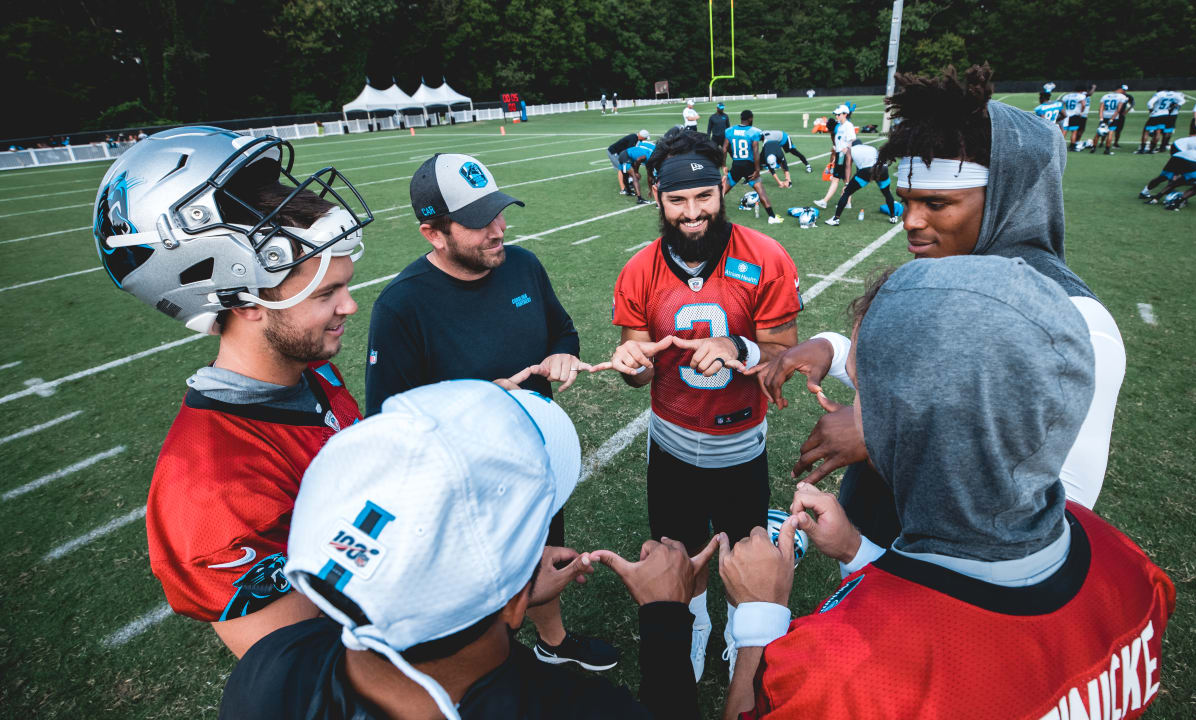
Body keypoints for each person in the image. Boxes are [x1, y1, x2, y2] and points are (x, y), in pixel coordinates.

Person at [722, 256, 1176, 720]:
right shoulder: (1129, 566)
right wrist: (855, 550)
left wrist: (760, 615)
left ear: (912, 424)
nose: (854, 413)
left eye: (862, 392)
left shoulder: (843, 674)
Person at [754, 64, 1126, 546]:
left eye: (936, 203)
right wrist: (832, 348)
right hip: (879, 547)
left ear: (1006, 199)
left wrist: (880, 438)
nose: (910, 222)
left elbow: (1066, 504)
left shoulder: (1077, 322)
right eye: (907, 201)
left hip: (954, 569)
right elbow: (919, 382)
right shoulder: (937, 274)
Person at [220, 381, 714, 719]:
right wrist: (667, 616)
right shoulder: (580, 706)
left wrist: (506, 591)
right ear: (517, 605)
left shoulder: (273, 665)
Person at [92, 126, 372, 657]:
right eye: (326, 293)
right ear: (243, 301)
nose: (349, 306)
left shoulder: (310, 371)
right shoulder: (210, 490)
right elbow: (305, 674)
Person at [364, 153, 620, 672]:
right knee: (480, 585)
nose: (499, 229)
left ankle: (552, 643)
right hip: (464, 484)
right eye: (479, 221)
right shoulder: (401, 307)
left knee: (543, 552)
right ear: (433, 234)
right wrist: (476, 402)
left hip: (538, 456)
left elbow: (561, 330)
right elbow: (388, 426)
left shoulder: (523, 266)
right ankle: (483, 672)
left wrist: (562, 353)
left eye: (498, 212)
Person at [608, 127, 801, 682]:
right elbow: (637, 368)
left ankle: (744, 634)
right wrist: (634, 365)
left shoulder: (764, 256)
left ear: (722, 188)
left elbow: (782, 353)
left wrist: (738, 345)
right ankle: (695, 625)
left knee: (746, 549)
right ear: (657, 196)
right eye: (677, 200)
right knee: (680, 550)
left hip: (740, 442)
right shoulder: (639, 269)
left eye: (703, 196)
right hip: (671, 441)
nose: (692, 213)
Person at [723, 110, 783, 223]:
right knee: (761, 192)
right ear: (750, 118)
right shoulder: (754, 131)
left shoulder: (730, 130)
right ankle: (772, 217)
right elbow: (755, 152)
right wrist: (757, 170)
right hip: (749, 166)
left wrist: (723, 165)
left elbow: (724, 148)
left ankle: (708, 212)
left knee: (722, 191)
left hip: (736, 165)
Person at [823, 143, 898, 225]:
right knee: (887, 193)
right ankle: (893, 217)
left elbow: (848, 167)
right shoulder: (868, 148)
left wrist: (847, 183)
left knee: (847, 192)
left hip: (868, 170)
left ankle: (836, 219)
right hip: (883, 169)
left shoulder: (850, 151)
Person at [814, 105, 856, 209]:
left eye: (838, 114)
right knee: (844, 180)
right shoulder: (840, 126)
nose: (836, 116)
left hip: (844, 155)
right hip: (839, 155)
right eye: (836, 114)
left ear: (845, 114)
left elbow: (852, 139)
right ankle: (847, 203)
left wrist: (846, 149)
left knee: (837, 179)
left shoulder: (848, 126)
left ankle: (825, 201)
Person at [608, 129, 651, 195]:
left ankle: (629, 183)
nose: (645, 140)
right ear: (641, 136)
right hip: (614, 152)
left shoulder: (636, 138)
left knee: (627, 167)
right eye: (645, 138)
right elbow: (629, 152)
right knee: (622, 168)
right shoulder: (633, 139)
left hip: (620, 153)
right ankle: (623, 189)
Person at [1091, 84, 1129, 154]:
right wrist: (1112, 119)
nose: (1124, 91)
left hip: (1104, 116)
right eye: (1123, 90)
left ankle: (1093, 148)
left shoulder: (1105, 96)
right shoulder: (1122, 97)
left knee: (1098, 133)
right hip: (1113, 117)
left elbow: (1101, 108)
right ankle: (1107, 150)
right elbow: (1118, 109)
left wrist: (1101, 118)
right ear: (1120, 89)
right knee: (1110, 133)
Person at [621, 138, 659, 203]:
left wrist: (651, 190)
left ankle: (628, 191)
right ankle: (639, 199)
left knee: (625, 175)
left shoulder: (652, 160)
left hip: (630, 156)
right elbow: (638, 160)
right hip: (625, 155)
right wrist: (636, 172)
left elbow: (649, 176)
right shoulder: (649, 157)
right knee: (634, 176)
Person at [1060, 85, 1091, 149]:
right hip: (1075, 115)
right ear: (1082, 91)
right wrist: (1081, 112)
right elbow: (1083, 105)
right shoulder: (1081, 96)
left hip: (1066, 115)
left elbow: (1061, 105)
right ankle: (1072, 145)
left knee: (1064, 130)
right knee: (1074, 131)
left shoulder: (1067, 96)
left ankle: (1059, 145)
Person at [1158, 88, 1187, 152]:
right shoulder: (1177, 95)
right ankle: (1164, 145)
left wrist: (1174, 106)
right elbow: (1182, 101)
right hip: (1173, 114)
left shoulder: (1168, 95)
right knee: (1168, 130)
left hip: (1166, 114)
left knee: (1164, 130)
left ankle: (1163, 145)